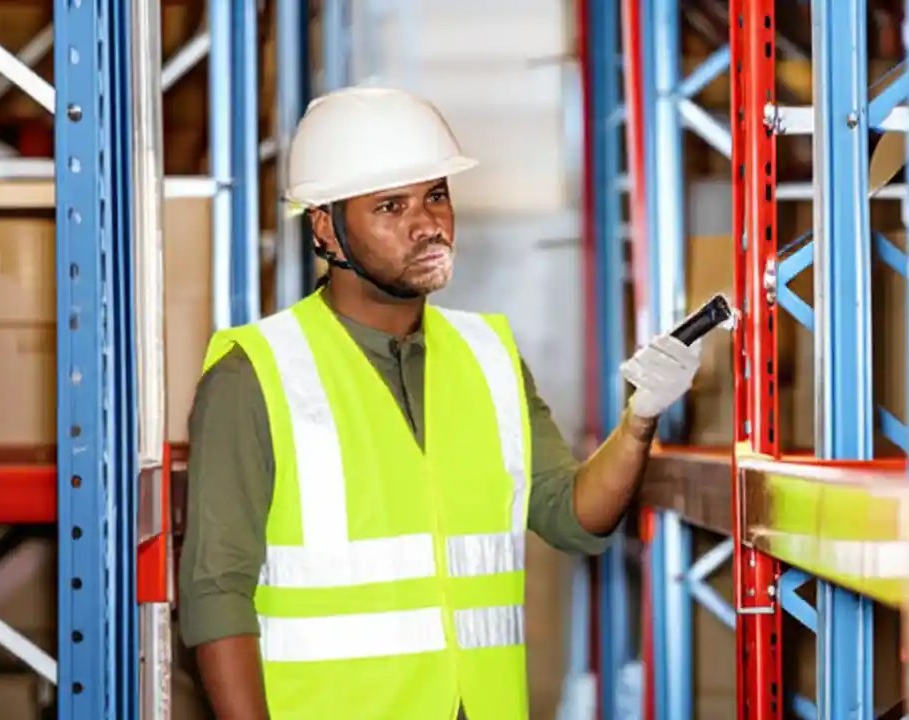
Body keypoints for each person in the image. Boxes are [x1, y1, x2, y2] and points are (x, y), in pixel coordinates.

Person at [177, 85, 704, 720]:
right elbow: (216, 593)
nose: (427, 224)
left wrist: (640, 415)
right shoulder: (255, 372)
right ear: (327, 228)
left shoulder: (489, 356)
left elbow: (574, 520)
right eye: (390, 206)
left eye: (435, 196)